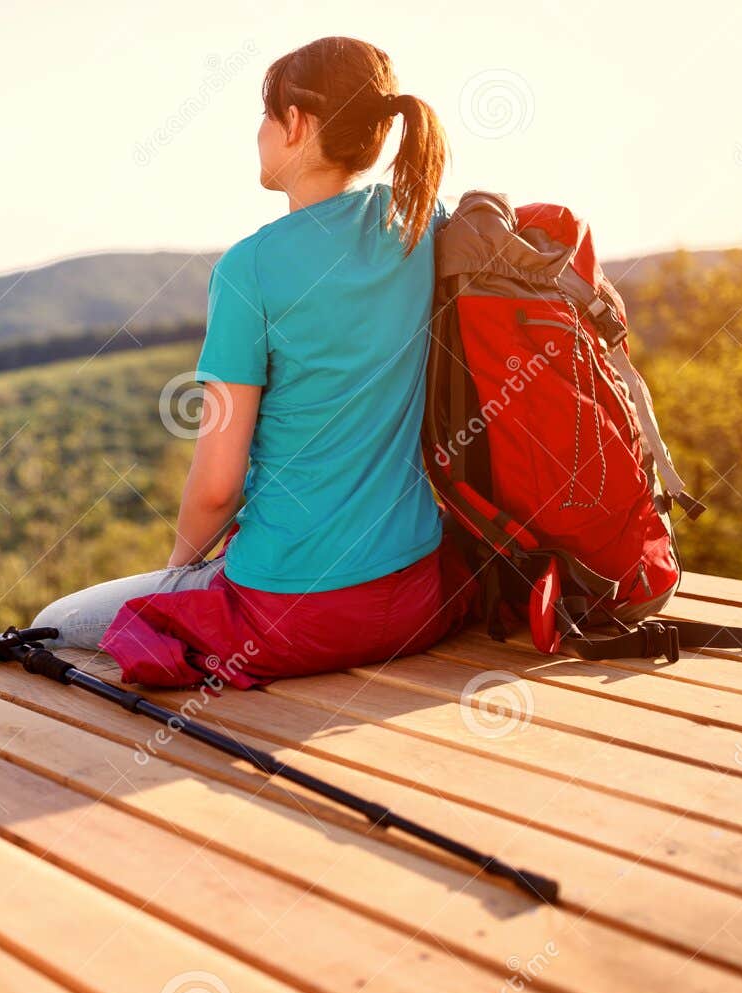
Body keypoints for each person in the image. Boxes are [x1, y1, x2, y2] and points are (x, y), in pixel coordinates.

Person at [29, 35, 475, 688]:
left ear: (297, 123)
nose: (260, 131)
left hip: (290, 617)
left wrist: (178, 577)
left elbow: (217, 487)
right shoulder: (420, 223)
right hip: (419, 595)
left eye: (268, 115)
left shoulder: (249, 270)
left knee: (52, 621)